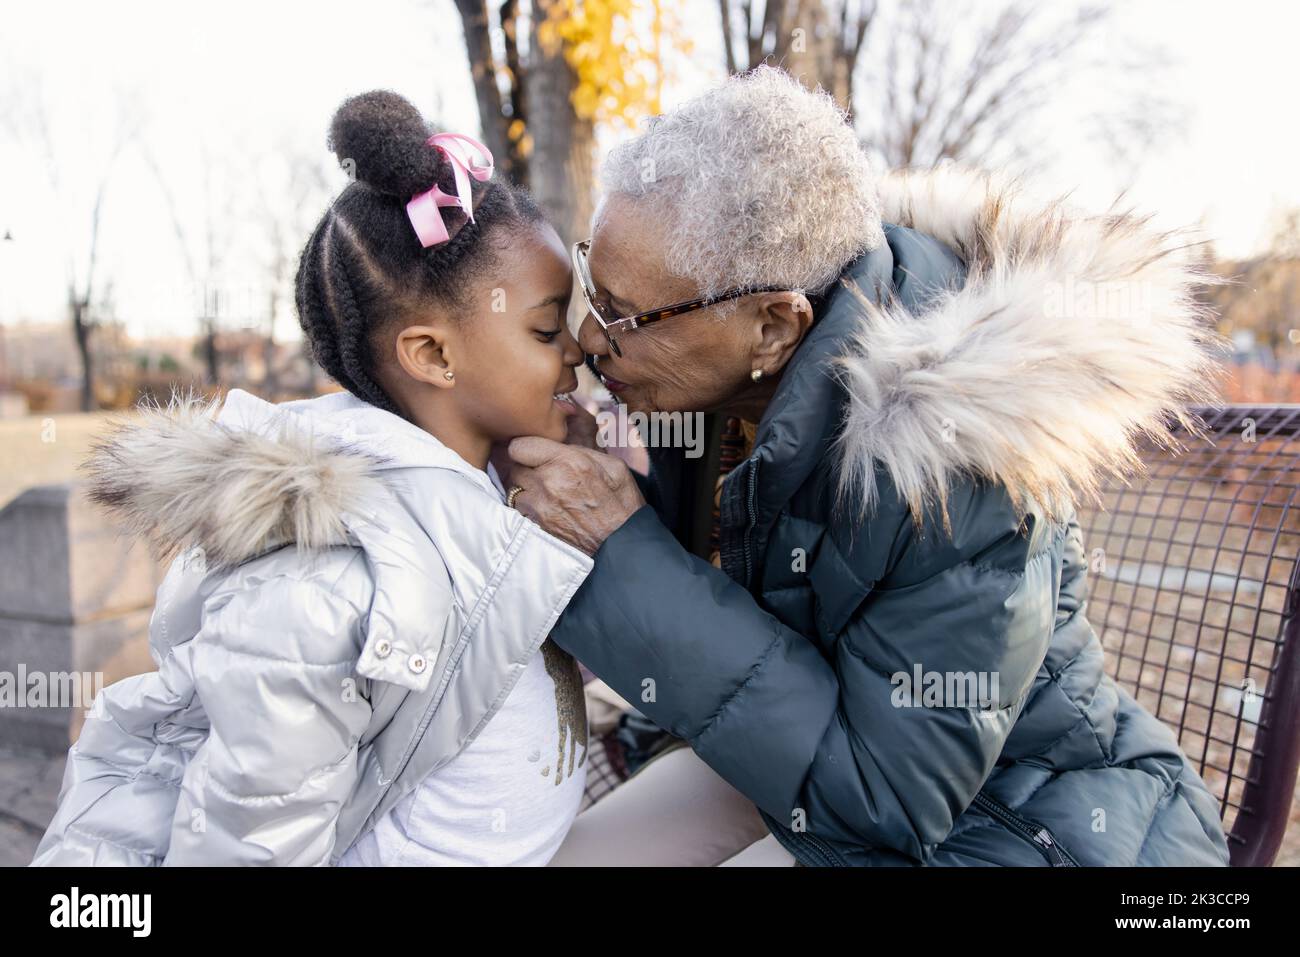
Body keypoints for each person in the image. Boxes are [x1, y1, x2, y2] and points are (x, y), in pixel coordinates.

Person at [502, 66, 1234, 866]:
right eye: (593, 289)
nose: (592, 338)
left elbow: (888, 798)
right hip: (819, 750)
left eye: (625, 314)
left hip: (1024, 816)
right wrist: (593, 493)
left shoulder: (952, 454)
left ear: (775, 327)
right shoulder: (718, 386)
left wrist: (619, 544)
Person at [30, 90, 596, 866]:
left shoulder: (484, 497)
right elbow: (252, 838)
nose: (579, 351)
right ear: (432, 356)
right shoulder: (327, 572)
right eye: (545, 328)